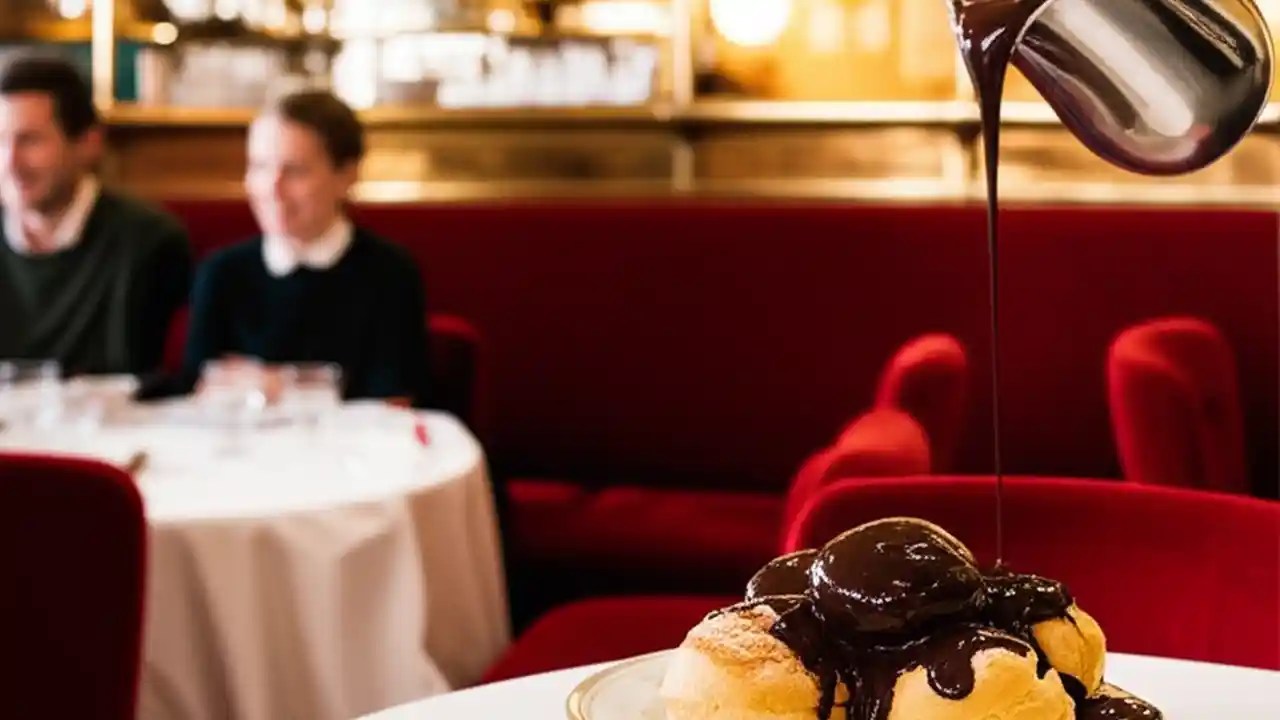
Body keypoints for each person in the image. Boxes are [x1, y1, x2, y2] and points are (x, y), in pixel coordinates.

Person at [183, 89, 431, 407]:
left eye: (295, 171)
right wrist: (321, 386)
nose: (272, 188)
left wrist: (266, 383)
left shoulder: (390, 273)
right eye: (259, 167)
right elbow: (199, 391)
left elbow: (392, 402)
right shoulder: (222, 272)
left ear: (346, 175)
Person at [0, 54, 191, 376]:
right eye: (0, 141)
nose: (10, 163)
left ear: (88, 143)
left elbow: (168, 382)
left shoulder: (151, 242)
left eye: (30, 141)